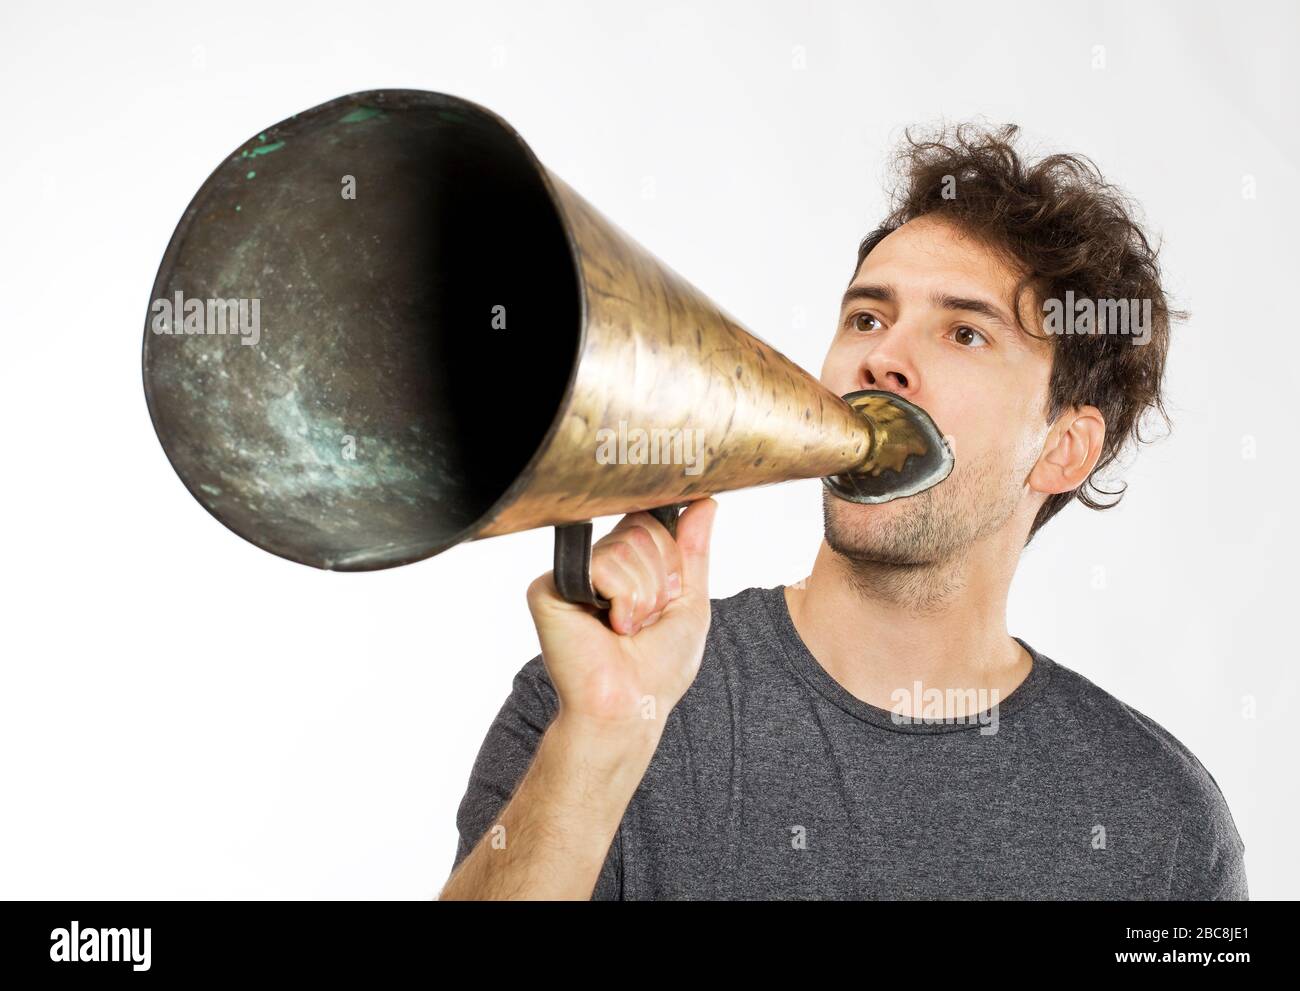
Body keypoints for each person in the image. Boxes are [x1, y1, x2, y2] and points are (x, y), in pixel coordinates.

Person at [439, 123, 1247, 900]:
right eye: (867, 316)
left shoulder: (1163, 823)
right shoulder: (594, 700)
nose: (883, 358)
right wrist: (601, 741)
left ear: (1064, 449)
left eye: (965, 334)